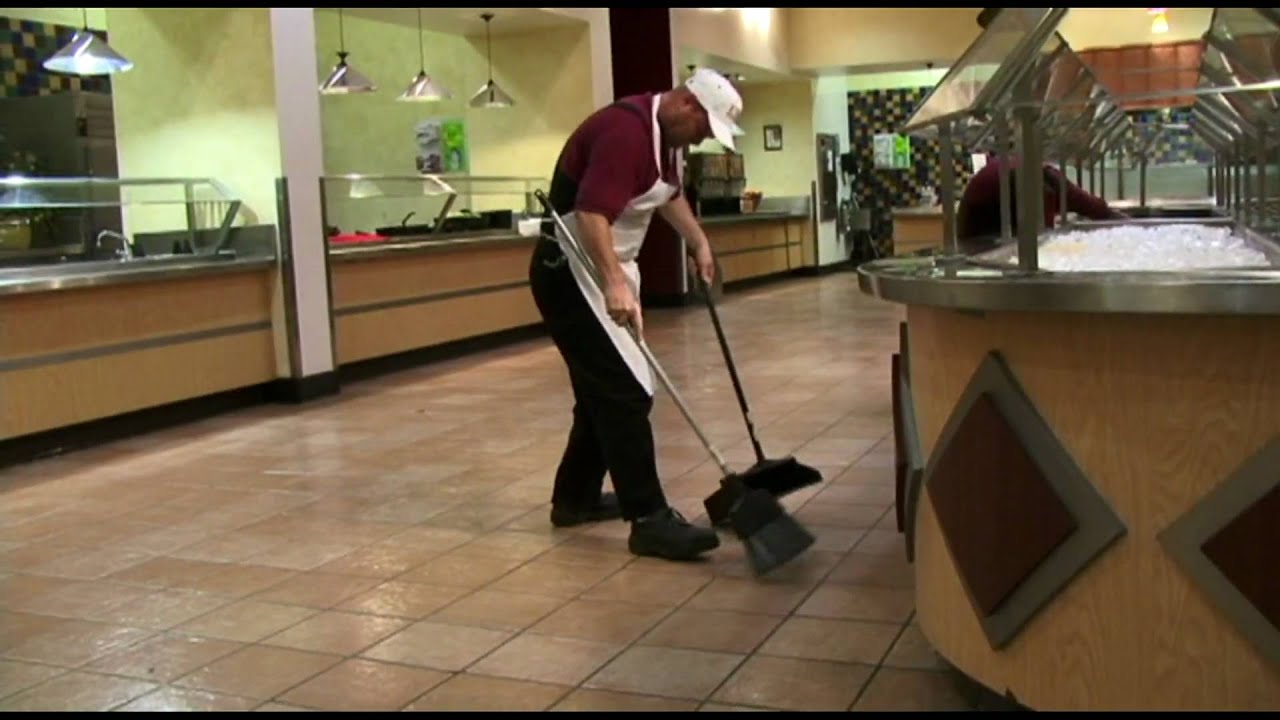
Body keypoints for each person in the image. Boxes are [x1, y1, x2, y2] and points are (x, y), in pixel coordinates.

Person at [528, 67, 744, 562]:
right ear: (688, 105)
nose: (702, 140)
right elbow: (591, 214)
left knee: (601, 390)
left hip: (608, 270)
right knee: (625, 391)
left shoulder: (665, 139)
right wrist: (613, 283)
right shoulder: (624, 133)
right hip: (573, 272)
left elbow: (668, 194)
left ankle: (574, 500)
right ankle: (649, 519)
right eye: (704, 129)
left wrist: (698, 240)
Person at [957, 153, 1126, 246]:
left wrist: (1134, 228)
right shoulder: (1013, 183)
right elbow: (1038, 243)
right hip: (978, 237)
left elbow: (1096, 208)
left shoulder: (1055, 182)